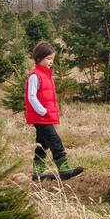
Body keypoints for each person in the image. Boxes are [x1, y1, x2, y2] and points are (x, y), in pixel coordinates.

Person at [25, 41, 84, 182]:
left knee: (42, 144)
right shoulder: (35, 75)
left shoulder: (46, 75)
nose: (51, 62)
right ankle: (63, 169)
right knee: (55, 141)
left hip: (44, 116)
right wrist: (42, 111)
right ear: (39, 59)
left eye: (52, 59)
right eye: (48, 59)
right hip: (40, 117)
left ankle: (37, 173)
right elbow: (31, 96)